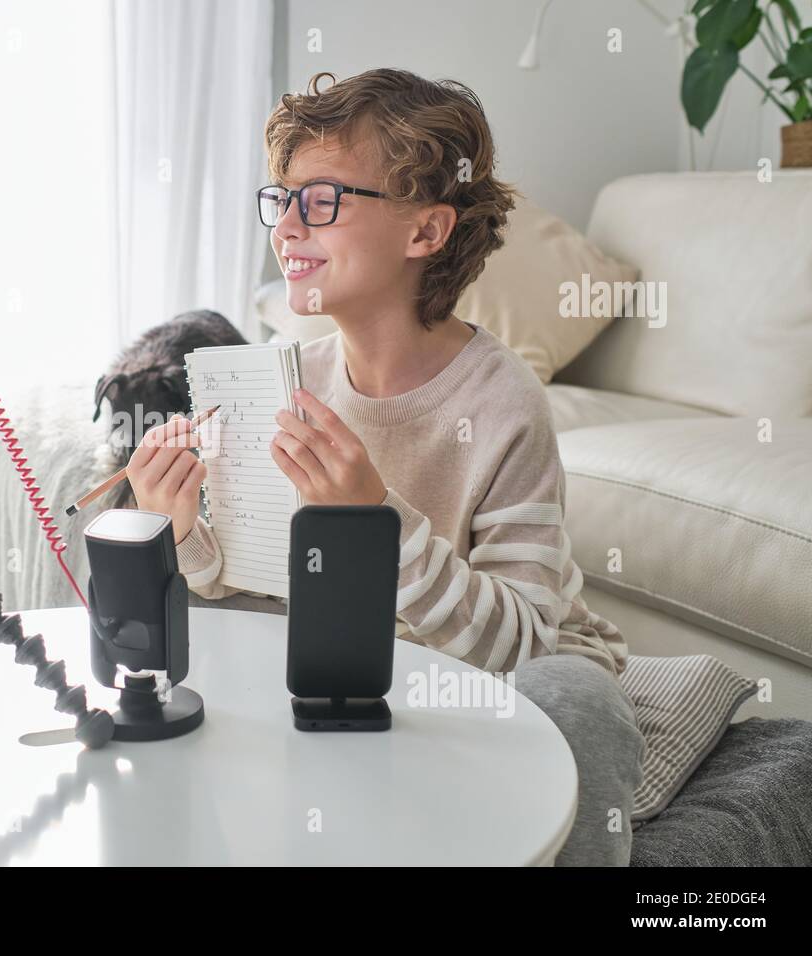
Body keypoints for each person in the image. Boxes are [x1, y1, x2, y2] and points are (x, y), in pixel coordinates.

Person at [125, 68, 645, 865]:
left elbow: (524, 646)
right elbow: (238, 581)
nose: (288, 227)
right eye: (282, 198)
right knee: (184, 630)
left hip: (484, 664)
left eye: (322, 201)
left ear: (425, 233)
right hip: (349, 661)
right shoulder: (285, 374)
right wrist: (183, 528)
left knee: (578, 699)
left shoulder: (506, 404)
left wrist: (378, 521)